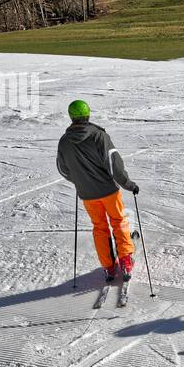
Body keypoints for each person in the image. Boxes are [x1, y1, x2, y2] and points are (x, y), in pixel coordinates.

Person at [57, 99, 138, 282]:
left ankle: (109, 266)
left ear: (71, 116)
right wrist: (128, 184)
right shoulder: (98, 136)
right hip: (108, 191)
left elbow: (63, 169)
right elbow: (113, 164)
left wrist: (80, 181)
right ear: (88, 114)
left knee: (100, 227)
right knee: (118, 222)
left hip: (87, 195)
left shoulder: (64, 141)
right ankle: (125, 261)